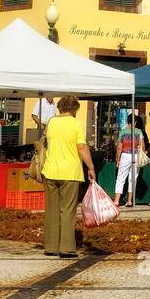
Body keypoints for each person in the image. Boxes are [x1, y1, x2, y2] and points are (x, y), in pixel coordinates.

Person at [41, 95, 96, 258]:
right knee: (67, 211)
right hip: (70, 172)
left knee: (51, 210)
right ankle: (67, 248)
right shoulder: (75, 123)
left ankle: (51, 246)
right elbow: (82, 147)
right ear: (74, 109)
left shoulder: (51, 122)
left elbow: (45, 144)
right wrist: (90, 167)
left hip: (50, 171)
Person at [114, 114, 147, 208]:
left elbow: (119, 148)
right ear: (135, 122)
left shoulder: (123, 132)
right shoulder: (139, 131)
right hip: (136, 155)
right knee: (133, 179)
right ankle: (129, 201)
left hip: (125, 155)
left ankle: (116, 201)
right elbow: (143, 146)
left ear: (127, 121)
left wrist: (117, 159)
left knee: (120, 178)